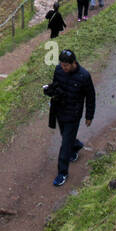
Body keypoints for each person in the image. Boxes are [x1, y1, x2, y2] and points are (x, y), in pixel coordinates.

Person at [44, 47, 96, 187]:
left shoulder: (84, 76)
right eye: (61, 64)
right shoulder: (59, 70)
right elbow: (56, 85)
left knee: (65, 144)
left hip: (73, 114)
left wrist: (89, 115)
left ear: (73, 63)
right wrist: (50, 90)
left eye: (65, 65)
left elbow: (90, 97)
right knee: (66, 136)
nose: (63, 67)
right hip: (60, 111)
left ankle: (62, 173)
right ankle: (76, 146)